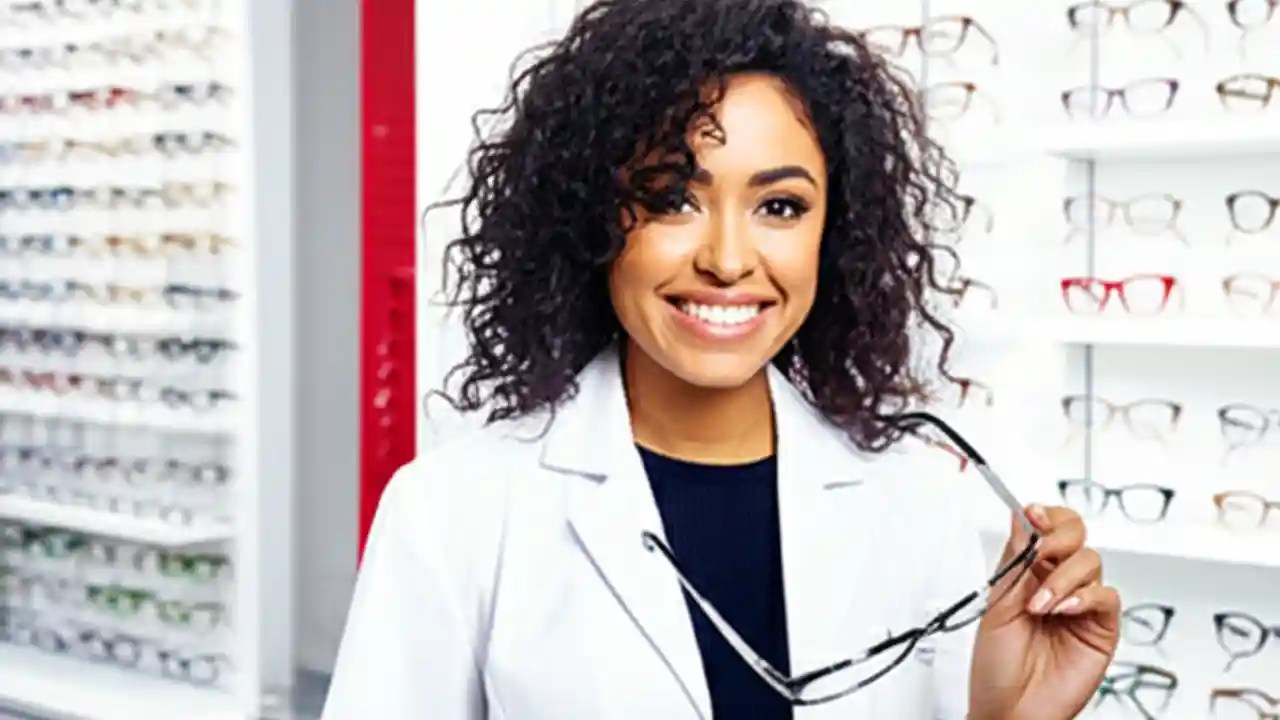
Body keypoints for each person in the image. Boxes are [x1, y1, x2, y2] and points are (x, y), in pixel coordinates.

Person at [323, 1, 1121, 718]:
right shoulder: (453, 514)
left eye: (780, 206)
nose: (729, 259)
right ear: (594, 218)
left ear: (833, 232)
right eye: (672, 198)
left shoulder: (920, 504)